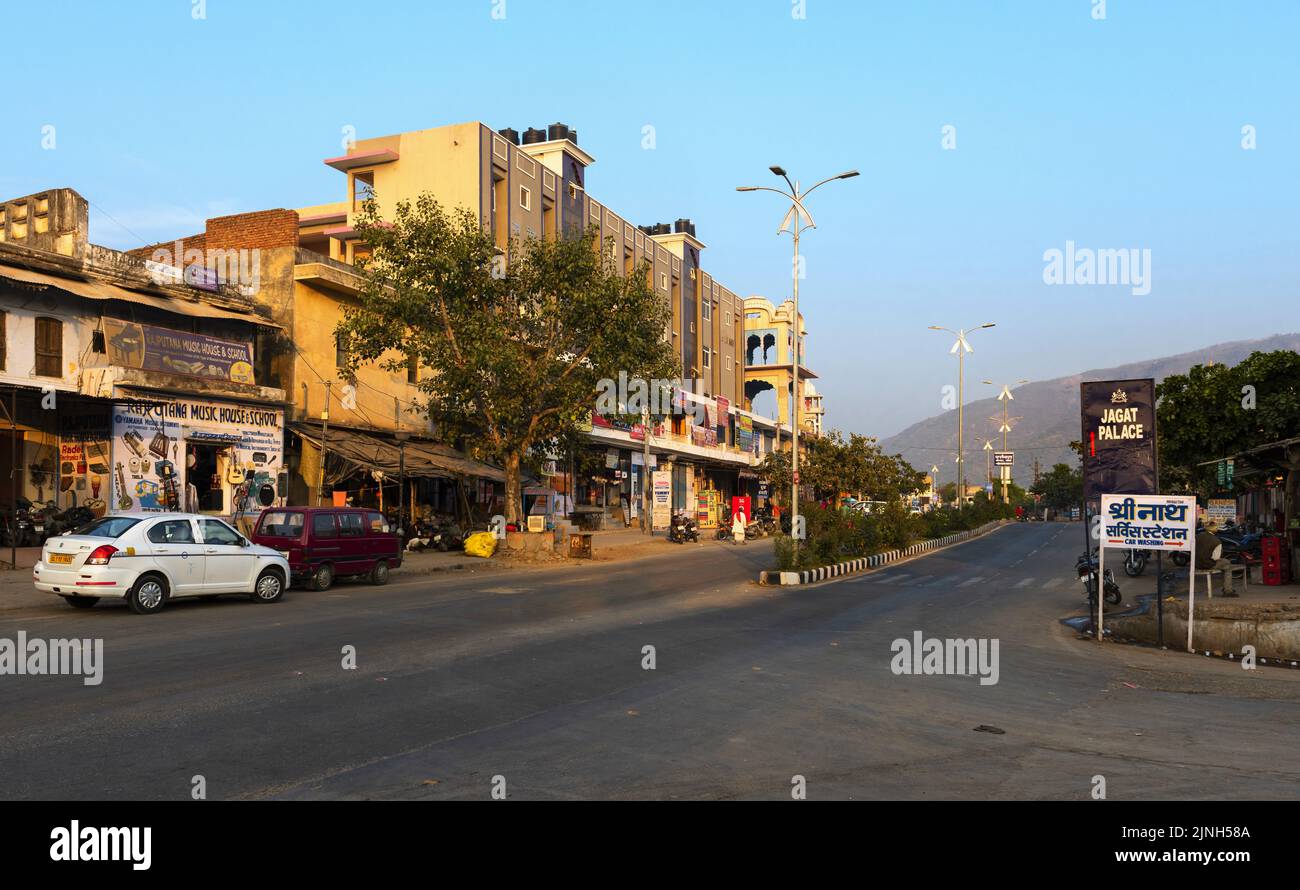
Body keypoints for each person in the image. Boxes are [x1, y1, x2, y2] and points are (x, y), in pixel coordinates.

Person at [1196, 524, 1237, 597]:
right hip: (1208, 564)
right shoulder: (1217, 541)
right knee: (1227, 565)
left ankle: (1226, 587)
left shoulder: (1198, 536)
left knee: (1224, 563)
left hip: (1196, 564)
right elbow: (1216, 558)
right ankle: (1228, 591)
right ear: (1215, 530)